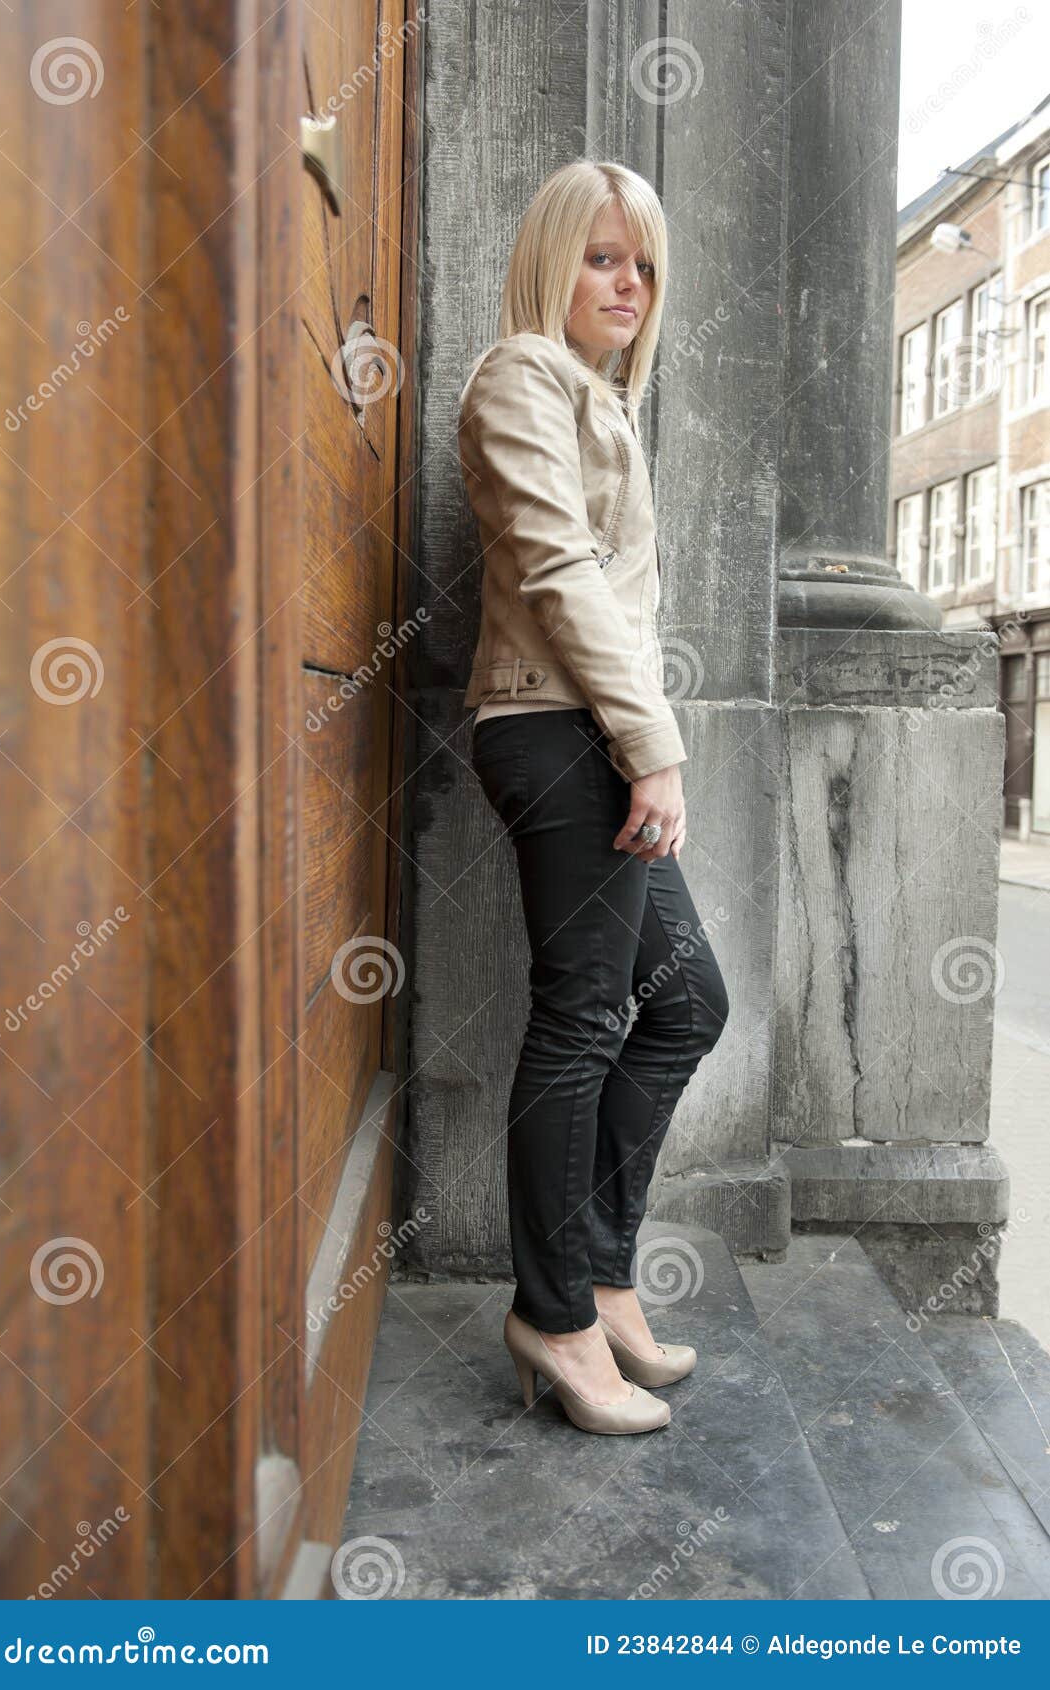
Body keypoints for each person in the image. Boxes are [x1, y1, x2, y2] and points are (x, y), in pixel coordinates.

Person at [458, 160, 730, 1436]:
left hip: (602, 738)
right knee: (580, 1020)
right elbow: (558, 572)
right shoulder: (520, 376)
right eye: (603, 256)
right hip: (556, 731)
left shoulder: (595, 395)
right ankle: (554, 1315)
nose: (629, 284)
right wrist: (651, 745)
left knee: (685, 1000)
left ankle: (603, 1276)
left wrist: (640, 746)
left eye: (644, 265)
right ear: (550, 259)